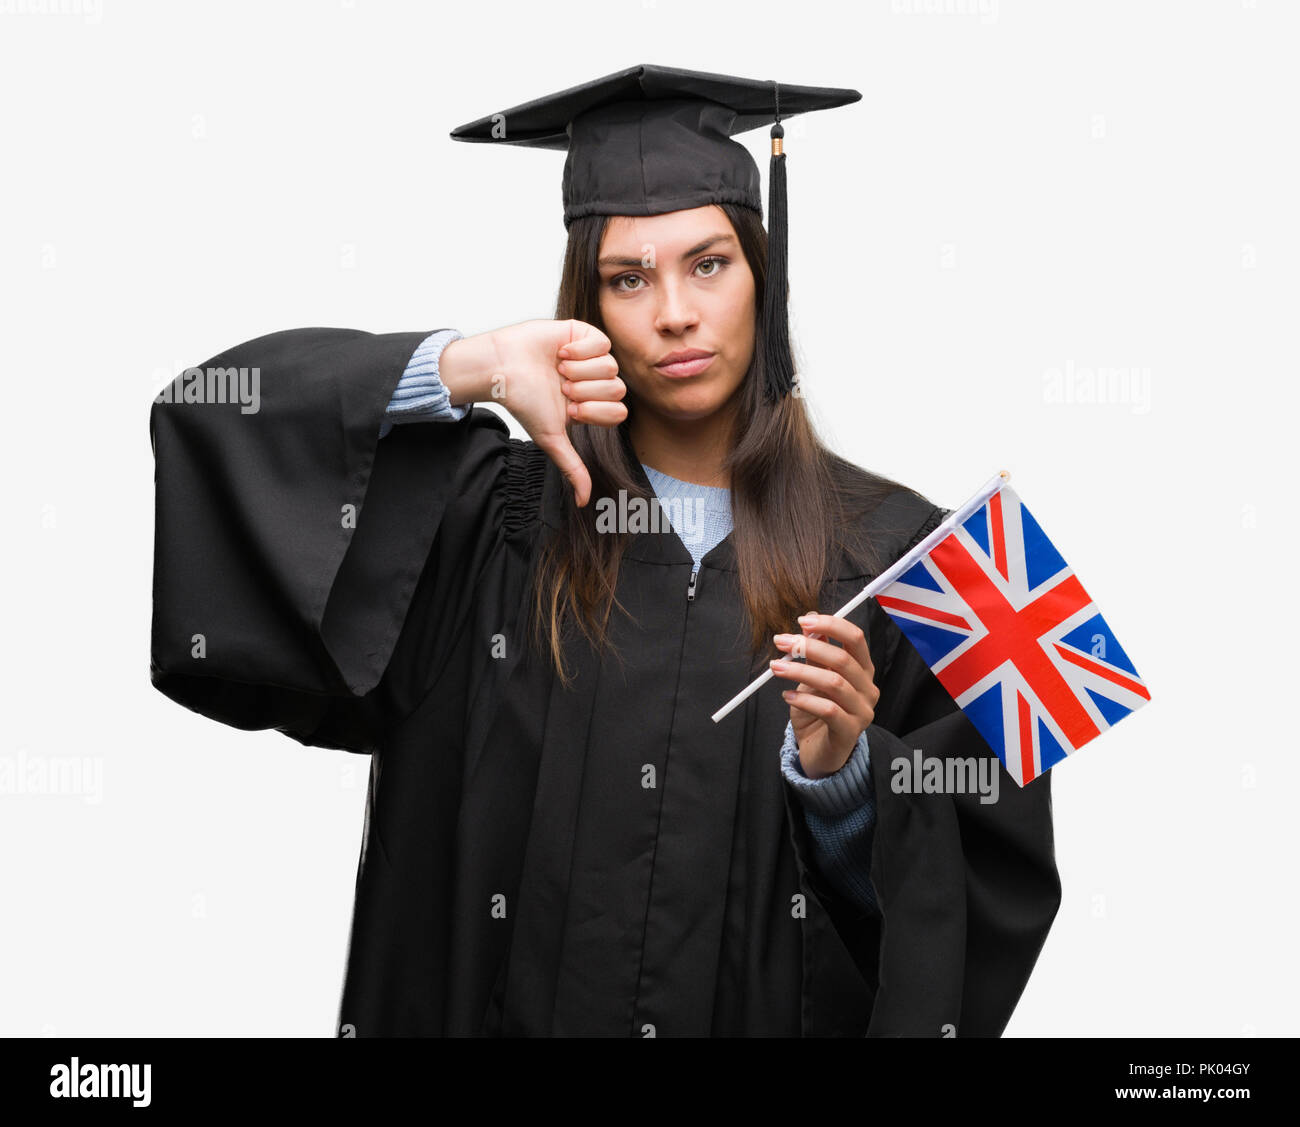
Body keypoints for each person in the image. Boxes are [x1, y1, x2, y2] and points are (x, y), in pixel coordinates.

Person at [149, 64, 1060, 1037]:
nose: (673, 310)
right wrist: (475, 365)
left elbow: (991, 892)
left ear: (765, 272)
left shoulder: (923, 558)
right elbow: (215, 411)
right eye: (629, 277)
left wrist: (841, 780)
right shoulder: (479, 518)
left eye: (708, 263)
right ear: (585, 302)